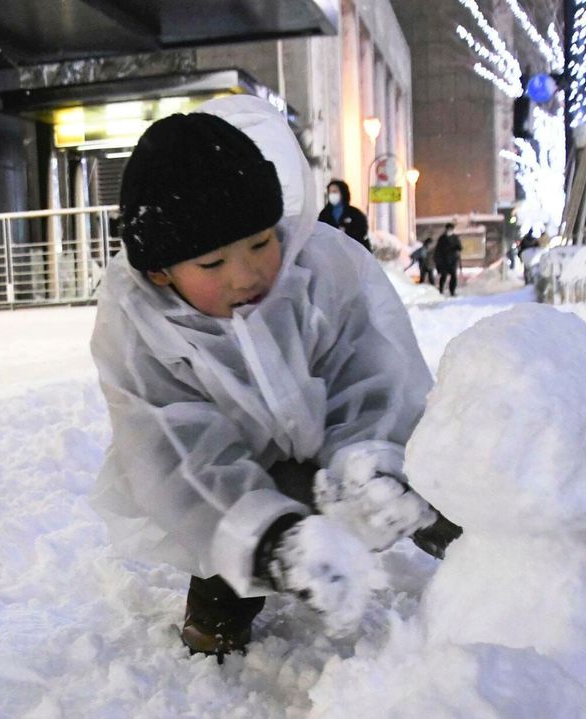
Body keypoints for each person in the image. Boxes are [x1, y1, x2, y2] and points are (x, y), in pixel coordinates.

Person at [92, 97, 462, 659]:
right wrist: (268, 544)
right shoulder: (140, 327)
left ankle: (500, 550)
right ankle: (224, 606)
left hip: (338, 452)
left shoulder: (321, 270)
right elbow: (175, 452)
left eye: (261, 242)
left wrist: (374, 460)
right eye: (213, 264)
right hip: (243, 473)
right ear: (159, 270)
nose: (248, 274)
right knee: (228, 553)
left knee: (430, 489)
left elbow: (372, 368)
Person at [316, 179, 372, 250]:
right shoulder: (324, 213)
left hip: (352, 251)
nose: (332, 195)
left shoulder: (354, 213)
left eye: (335, 192)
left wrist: (346, 234)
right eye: (330, 192)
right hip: (330, 252)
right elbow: (320, 231)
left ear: (342, 193)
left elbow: (361, 231)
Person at [432, 223, 462, 297]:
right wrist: (438, 260)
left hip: (453, 260)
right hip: (444, 260)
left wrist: (457, 248)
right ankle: (441, 290)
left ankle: (452, 291)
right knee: (444, 276)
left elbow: (460, 247)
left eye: (451, 229)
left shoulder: (455, 238)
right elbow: (438, 250)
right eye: (448, 229)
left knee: (453, 276)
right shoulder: (442, 238)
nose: (449, 230)